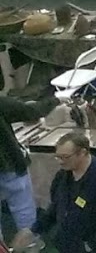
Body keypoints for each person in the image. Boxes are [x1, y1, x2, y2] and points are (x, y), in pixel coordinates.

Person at [35, 132, 96, 253]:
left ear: (82, 153)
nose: (60, 162)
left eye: (65, 157)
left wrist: (91, 246)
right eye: (58, 157)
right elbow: (55, 208)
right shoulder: (62, 176)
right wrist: (34, 230)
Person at [0, 90, 55, 251]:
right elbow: (32, 112)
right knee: (23, 207)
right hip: (10, 164)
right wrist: (56, 100)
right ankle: (30, 244)